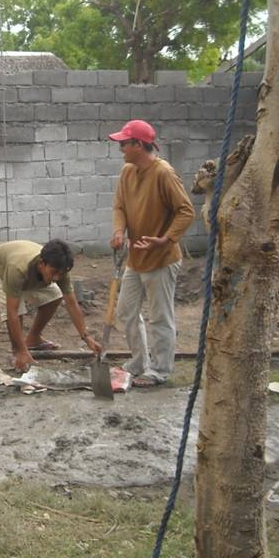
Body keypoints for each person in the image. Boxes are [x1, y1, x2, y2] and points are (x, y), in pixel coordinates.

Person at [109, 120, 195, 387]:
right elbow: (120, 206)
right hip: (136, 257)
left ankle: (160, 370)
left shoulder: (163, 173)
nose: (121, 148)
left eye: (125, 143)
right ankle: (138, 362)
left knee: (160, 317)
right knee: (126, 310)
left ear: (139, 145)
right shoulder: (127, 172)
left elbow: (186, 211)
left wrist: (165, 239)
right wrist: (120, 231)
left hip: (161, 258)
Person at [0, 239, 104, 372]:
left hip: (25, 271)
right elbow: (12, 312)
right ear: (42, 263)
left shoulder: (61, 269)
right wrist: (21, 350)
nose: (56, 278)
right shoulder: (18, 268)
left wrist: (86, 337)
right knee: (17, 308)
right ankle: (18, 353)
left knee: (54, 296)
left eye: (60, 274)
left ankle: (33, 338)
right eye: (54, 272)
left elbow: (71, 303)